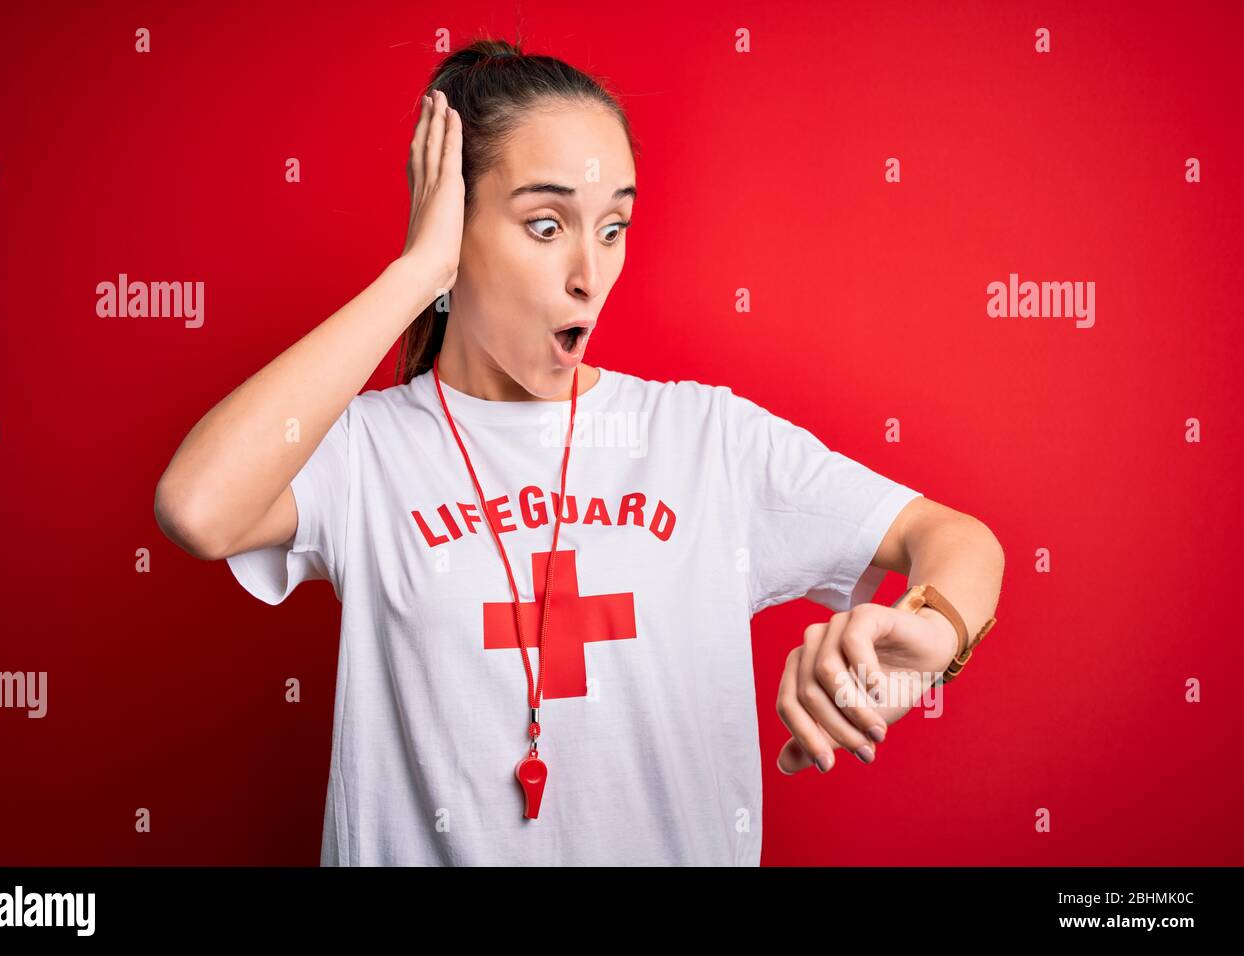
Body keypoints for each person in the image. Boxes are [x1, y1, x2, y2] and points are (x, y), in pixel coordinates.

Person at [154, 38, 1004, 866]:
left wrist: (934, 632)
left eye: (613, 228)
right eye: (547, 223)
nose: (588, 276)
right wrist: (417, 274)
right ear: (454, 225)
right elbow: (198, 509)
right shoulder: (365, 449)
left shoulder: (705, 439)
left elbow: (960, 541)